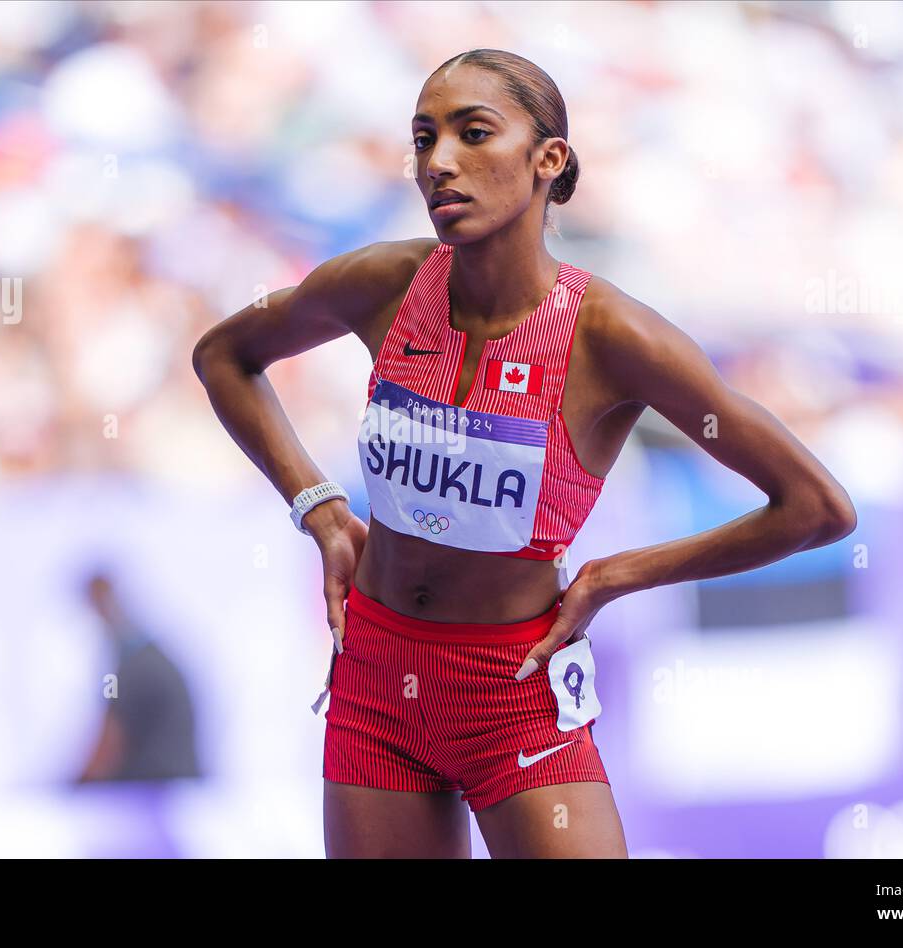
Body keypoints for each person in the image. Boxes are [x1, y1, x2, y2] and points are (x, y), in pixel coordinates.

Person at [193, 48, 856, 858]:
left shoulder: (615, 336)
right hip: (374, 680)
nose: (440, 163)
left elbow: (817, 508)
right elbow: (224, 356)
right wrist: (321, 510)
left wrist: (616, 574)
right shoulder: (382, 283)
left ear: (549, 160)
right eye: (423, 139)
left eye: (474, 134)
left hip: (514, 690)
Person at [77, 569, 202, 783]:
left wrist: (74, 785)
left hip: (152, 789)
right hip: (175, 785)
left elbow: (108, 743)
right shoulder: (145, 654)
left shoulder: (129, 667)